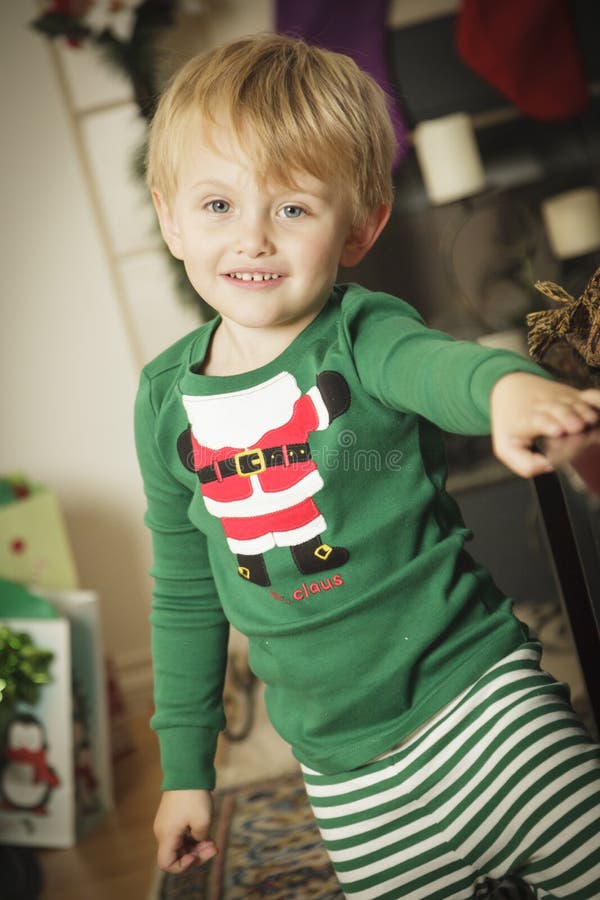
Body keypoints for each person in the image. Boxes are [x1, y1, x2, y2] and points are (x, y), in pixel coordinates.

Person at [135, 33, 600, 899]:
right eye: (217, 205)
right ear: (169, 217)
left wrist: (507, 390)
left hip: (480, 704)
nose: (253, 239)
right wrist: (184, 772)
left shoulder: (360, 334)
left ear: (362, 226)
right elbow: (185, 590)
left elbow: (440, 365)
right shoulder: (164, 401)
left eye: (294, 209)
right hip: (346, 775)